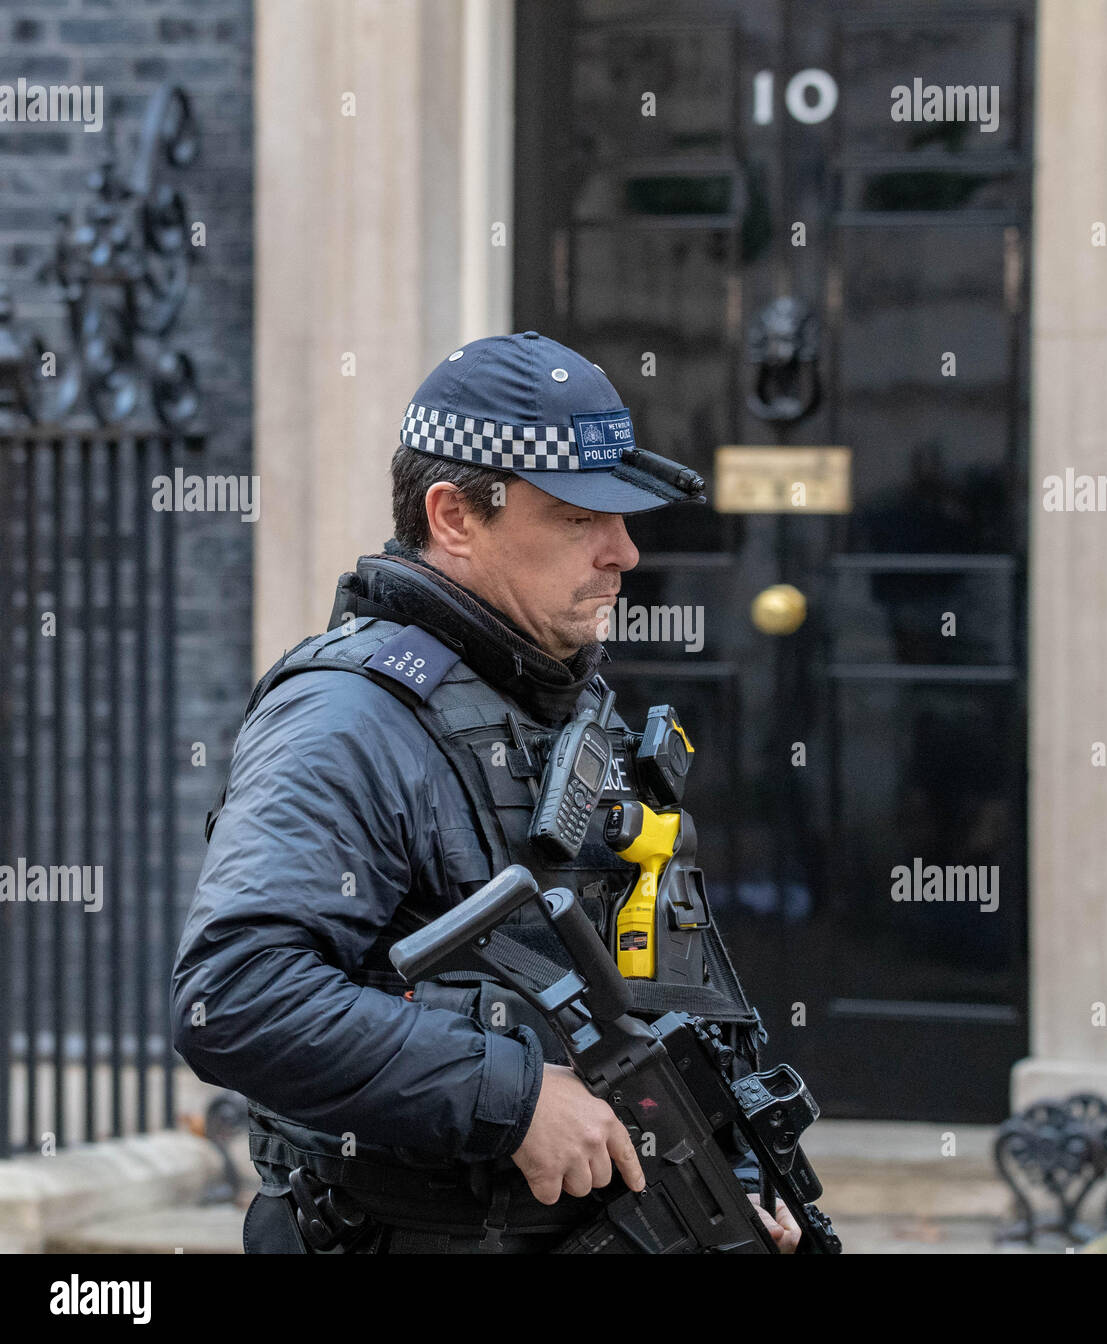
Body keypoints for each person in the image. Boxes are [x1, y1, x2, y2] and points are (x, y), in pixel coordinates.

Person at [171, 331, 801, 1253]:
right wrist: (512, 1099)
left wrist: (721, 1185)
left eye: (622, 519)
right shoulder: (349, 716)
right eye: (578, 518)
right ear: (455, 517)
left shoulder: (554, 695)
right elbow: (234, 998)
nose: (623, 551)